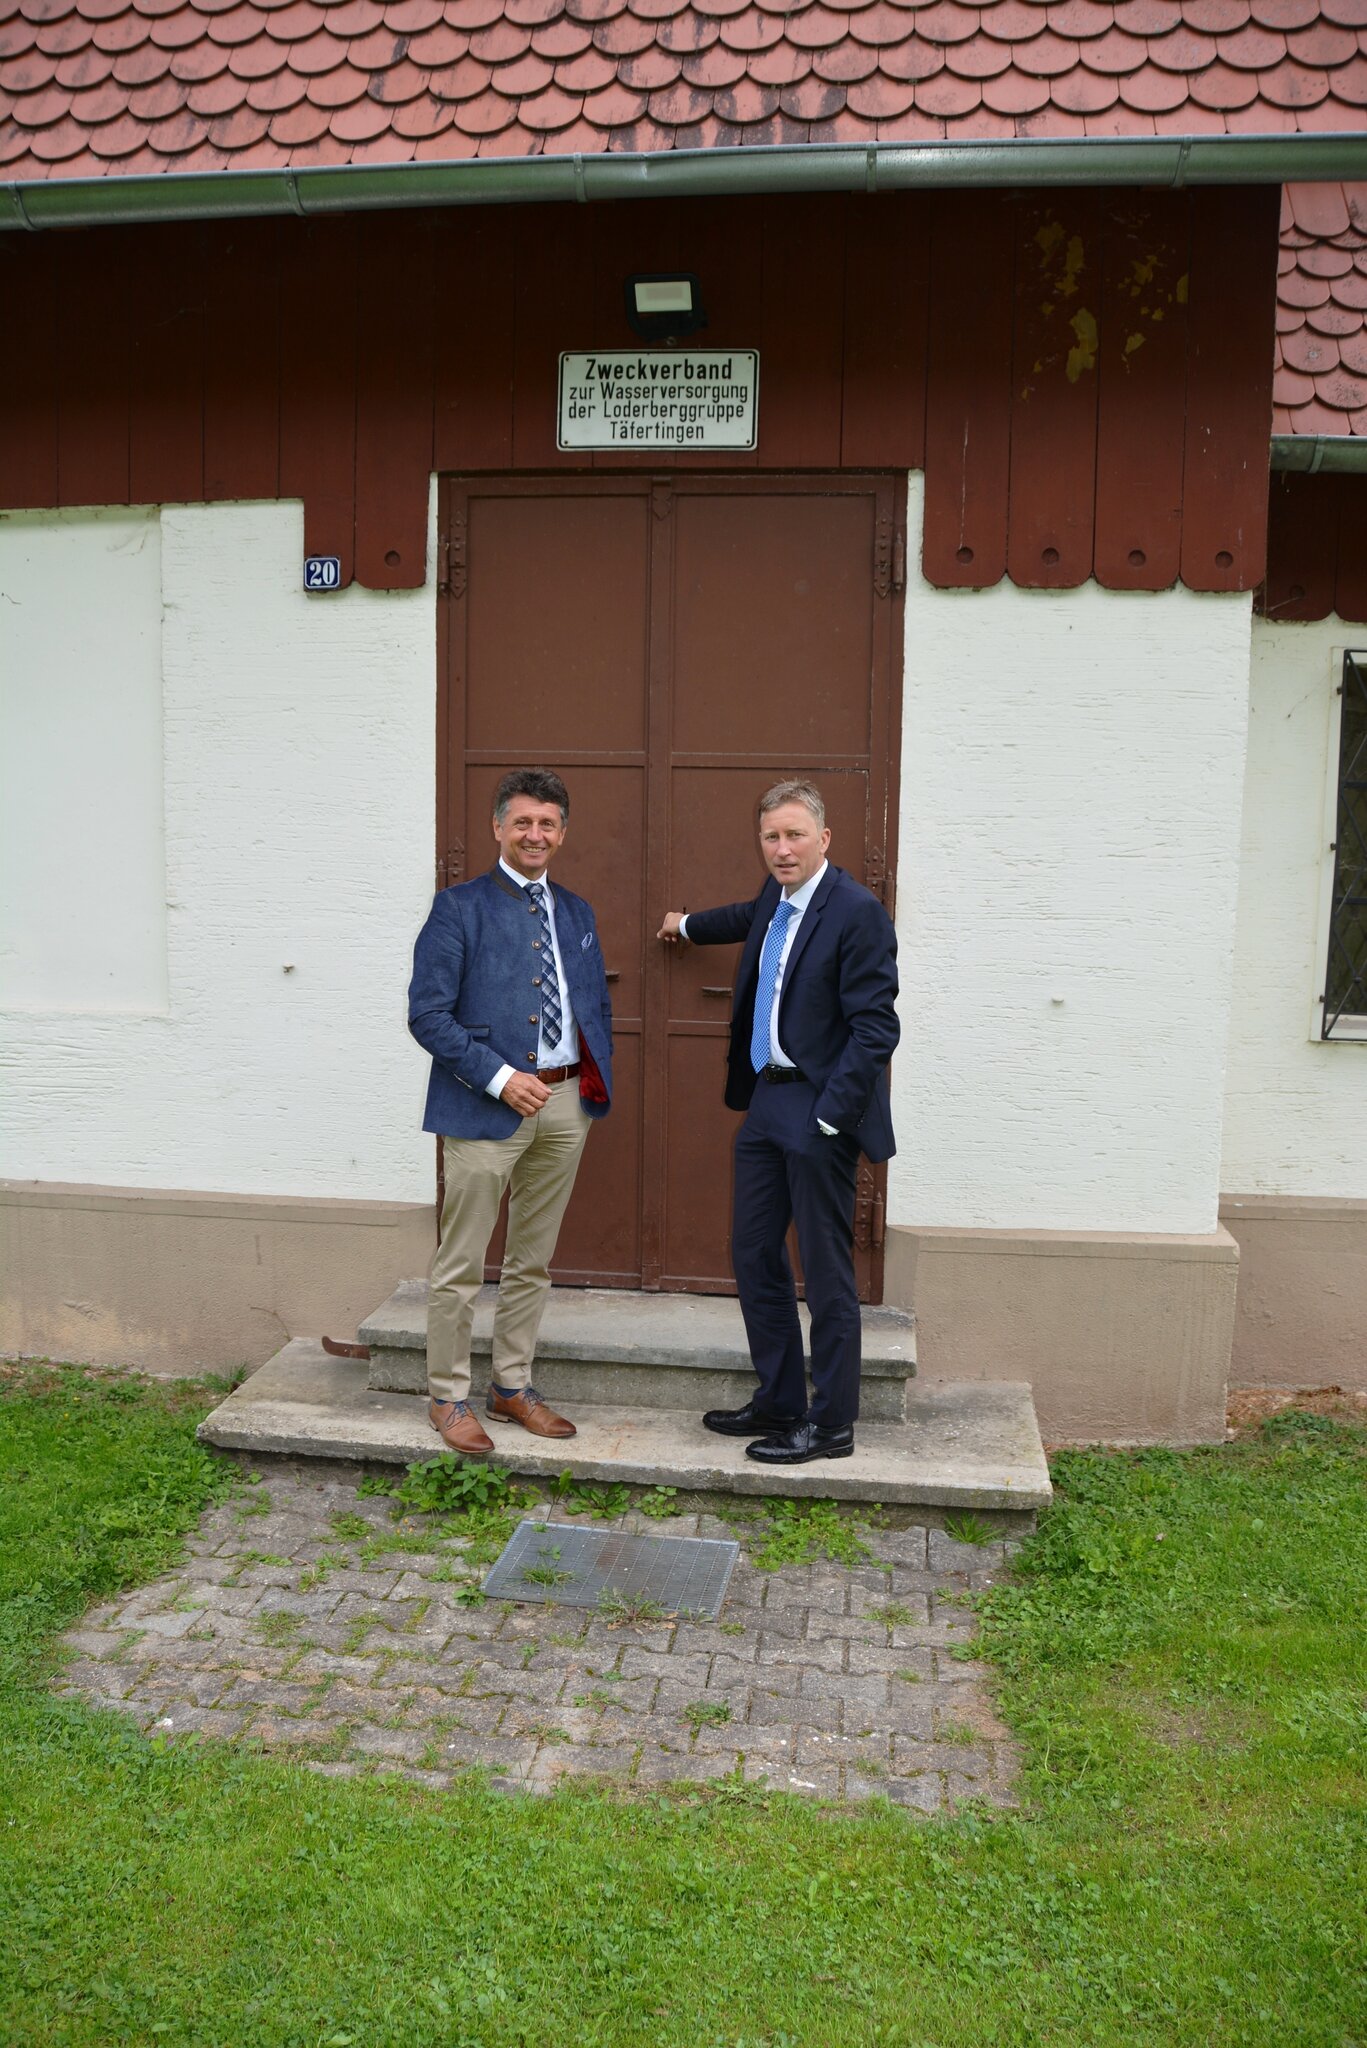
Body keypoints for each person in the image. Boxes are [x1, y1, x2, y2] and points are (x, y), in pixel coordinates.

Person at [657, 780, 898, 1465]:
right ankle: (780, 1398)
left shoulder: (856, 912)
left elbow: (876, 1029)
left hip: (819, 1109)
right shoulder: (776, 896)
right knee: (753, 1251)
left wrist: (830, 1116)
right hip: (766, 1101)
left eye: (795, 835)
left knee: (824, 1272)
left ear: (824, 838)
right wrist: (685, 925)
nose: (782, 848)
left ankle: (830, 1425)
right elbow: (741, 917)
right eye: (771, 837)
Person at [408, 769, 613, 1457]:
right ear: (498, 827)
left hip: (564, 1105)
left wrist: (587, 1082)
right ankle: (446, 1395)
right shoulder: (457, 908)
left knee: (532, 1259)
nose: (535, 834)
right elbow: (427, 1016)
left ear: (562, 832)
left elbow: (592, 1006)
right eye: (522, 822)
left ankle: (512, 1385)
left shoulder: (577, 912)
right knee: (460, 1261)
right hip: (482, 1107)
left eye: (547, 823)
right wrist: (498, 1078)